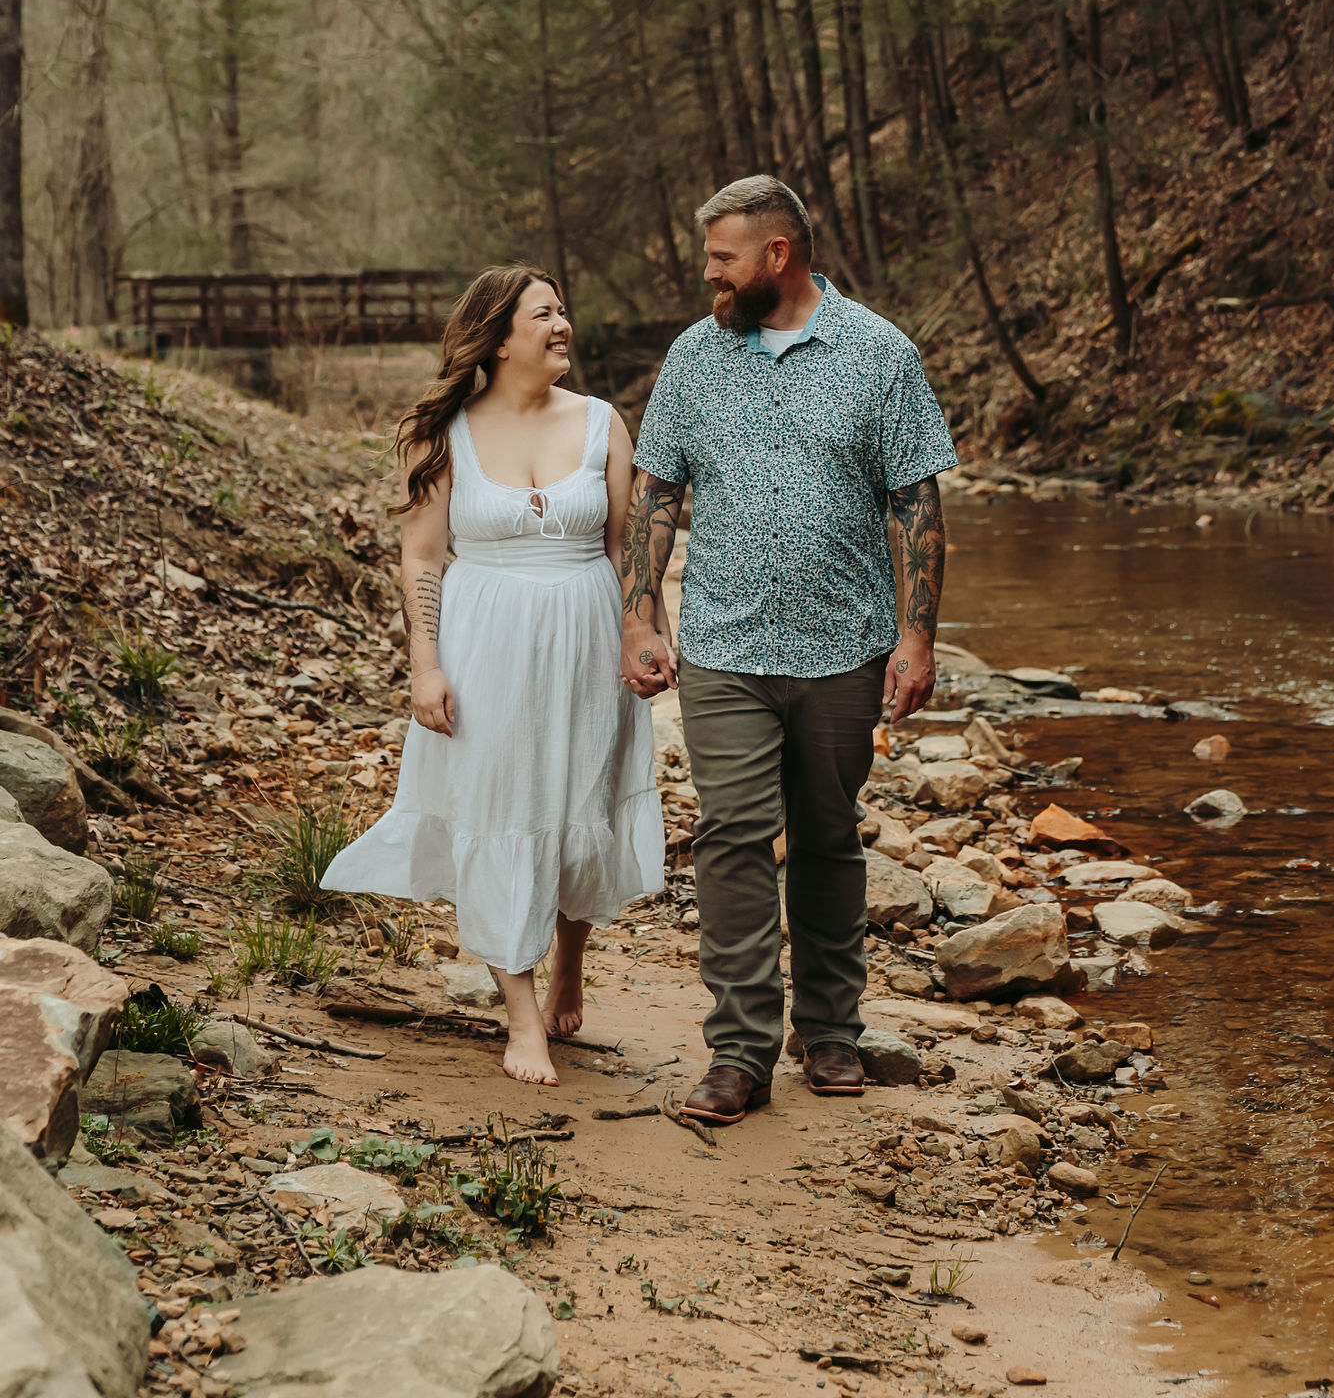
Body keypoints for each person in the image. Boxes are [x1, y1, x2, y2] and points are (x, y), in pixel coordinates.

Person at [618, 175, 956, 1126]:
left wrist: (916, 634)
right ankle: (739, 1050)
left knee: (824, 833)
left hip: (846, 647)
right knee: (730, 834)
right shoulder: (694, 356)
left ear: (779, 255)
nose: (710, 277)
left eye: (724, 259)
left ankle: (833, 1028)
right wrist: (642, 620)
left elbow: (916, 503)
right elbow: (655, 494)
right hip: (724, 646)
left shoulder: (881, 355)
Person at [322, 265, 666, 1086]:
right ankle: (520, 1017)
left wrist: (646, 632)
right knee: (501, 808)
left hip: (586, 639)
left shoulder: (602, 423)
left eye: (563, 311)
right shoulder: (445, 433)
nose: (563, 326)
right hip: (486, 647)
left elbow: (630, 550)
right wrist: (426, 667)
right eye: (544, 314)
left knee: (582, 799)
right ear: (499, 336)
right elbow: (421, 557)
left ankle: (569, 967)